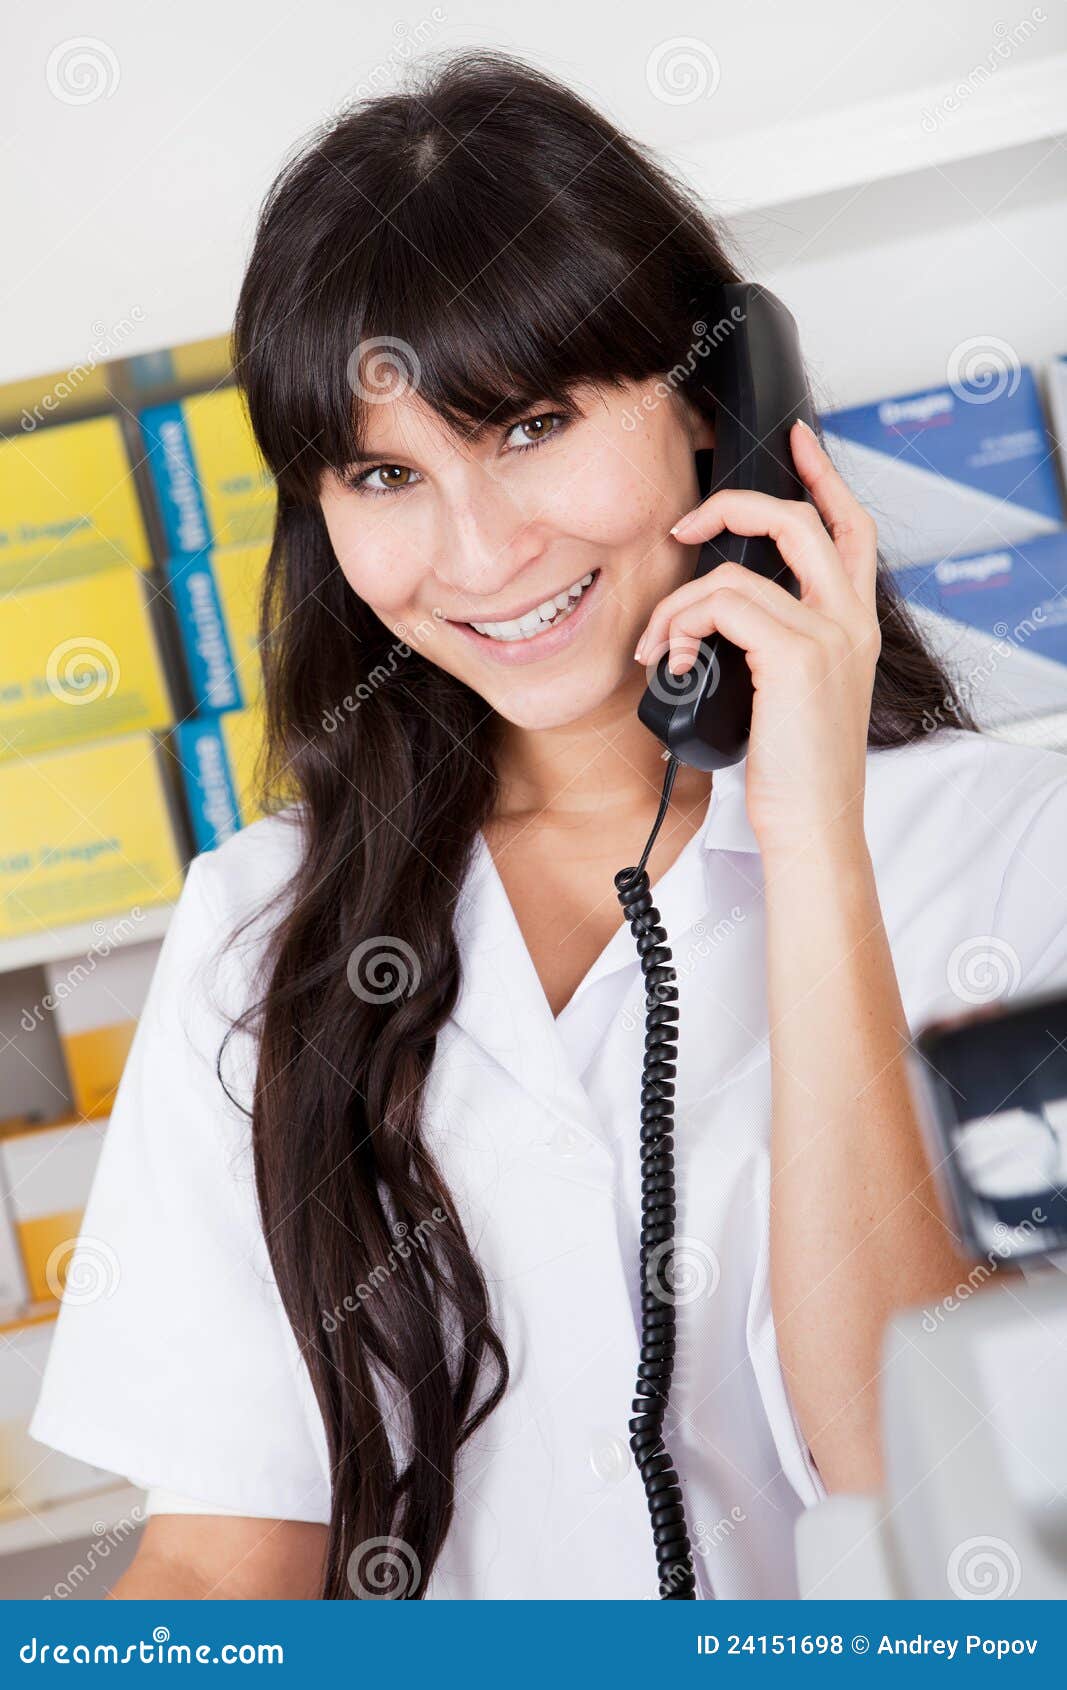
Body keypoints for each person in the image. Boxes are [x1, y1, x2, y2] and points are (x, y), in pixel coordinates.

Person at [31, 49, 1067, 1601]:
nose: (480, 550)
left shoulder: (1010, 843)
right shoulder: (262, 925)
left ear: (711, 403)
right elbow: (229, 1544)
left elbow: (923, 1490)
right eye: (387, 471)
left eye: (527, 425)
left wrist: (811, 840)